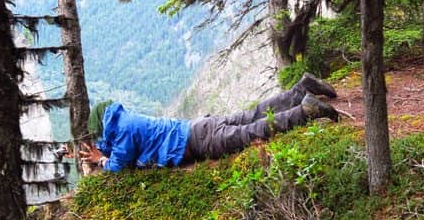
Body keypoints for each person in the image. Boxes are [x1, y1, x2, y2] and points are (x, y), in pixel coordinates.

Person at [78, 73, 339, 172]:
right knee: (254, 115)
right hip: (198, 127)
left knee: (254, 131)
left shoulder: (122, 133)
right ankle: (299, 90)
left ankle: (305, 111)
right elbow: (123, 148)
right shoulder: (124, 121)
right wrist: (104, 152)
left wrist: (100, 160)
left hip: (200, 141)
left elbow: (118, 165)